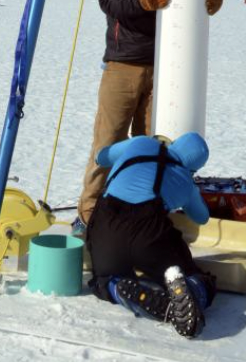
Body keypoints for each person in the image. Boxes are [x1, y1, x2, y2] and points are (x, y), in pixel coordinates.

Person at [75, 0, 223, 228]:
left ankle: (145, 216)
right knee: (108, 142)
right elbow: (109, 2)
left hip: (162, 66)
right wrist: (142, 0)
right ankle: (88, 215)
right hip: (122, 65)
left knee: (153, 146)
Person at [86, 131, 217, 338]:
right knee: (195, 277)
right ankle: (192, 293)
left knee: (102, 279)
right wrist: (191, 188)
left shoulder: (140, 143)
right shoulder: (185, 183)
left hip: (106, 228)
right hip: (149, 236)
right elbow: (202, 217)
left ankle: (117, 288)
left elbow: (101, 157)